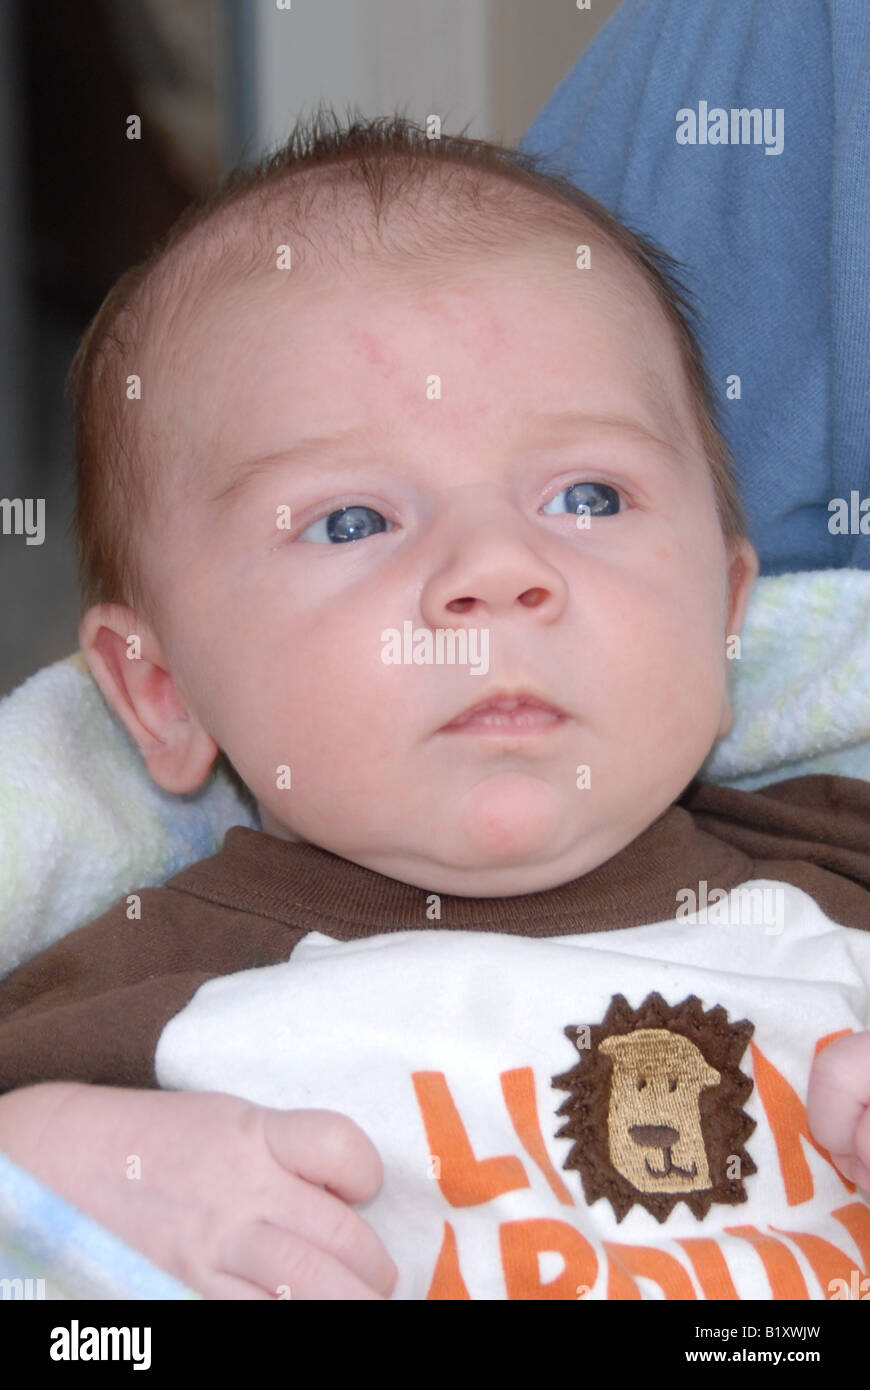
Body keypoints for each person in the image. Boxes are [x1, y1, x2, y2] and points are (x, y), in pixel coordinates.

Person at [0, 112, 867, 1301]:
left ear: (722, 614)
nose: (497, 568)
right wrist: (59, 1161)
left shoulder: (837, 875)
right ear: (164, 691)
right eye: (353, 521)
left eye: (588, 494)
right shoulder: (156, 992)